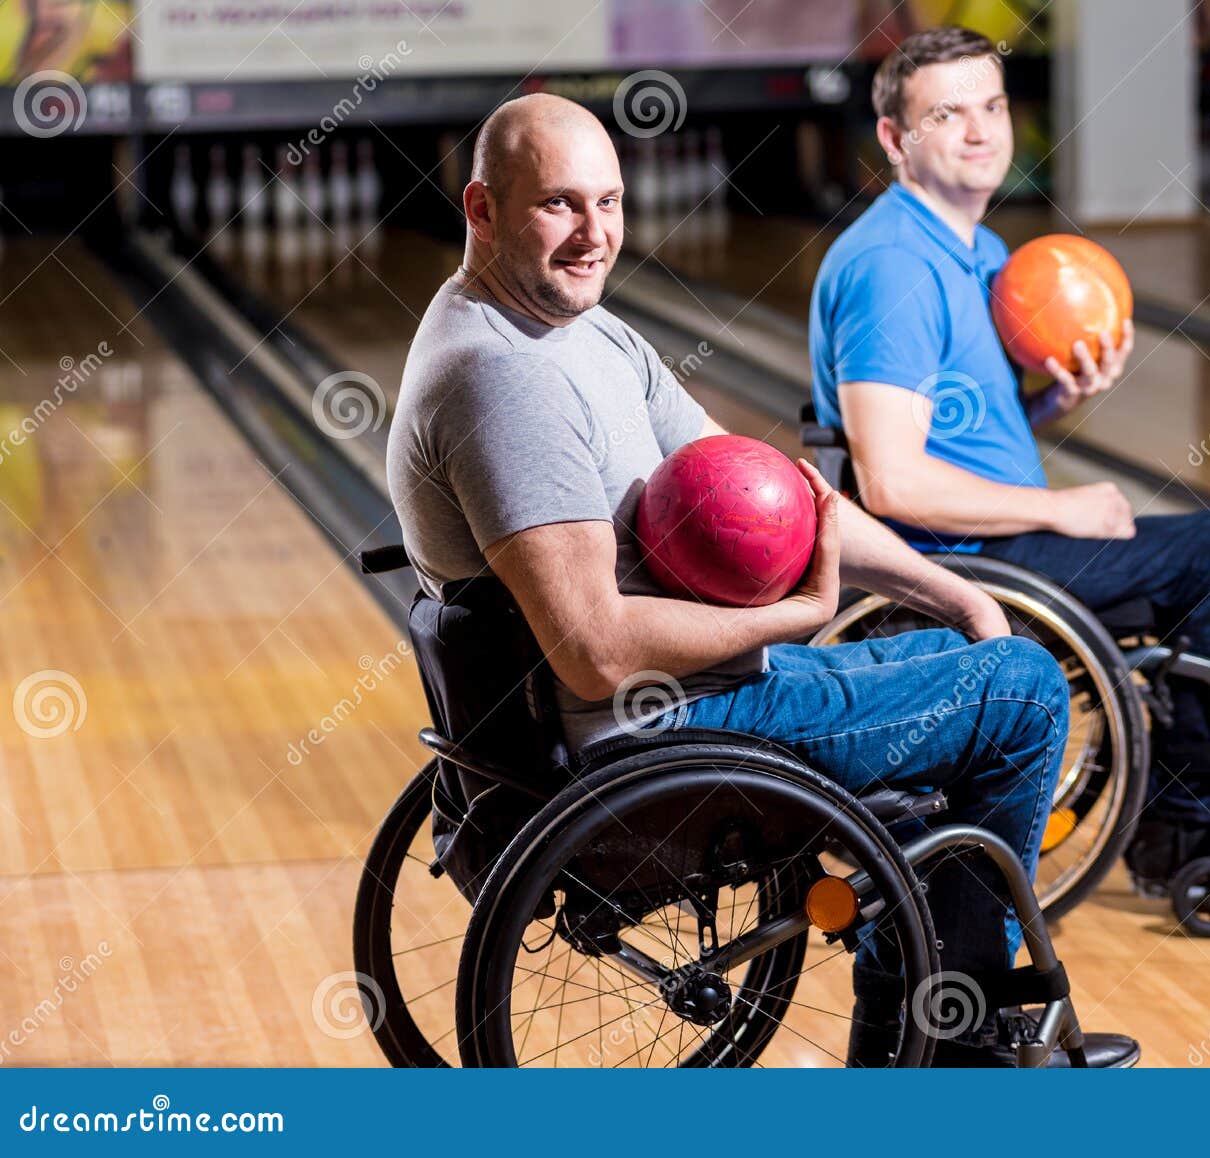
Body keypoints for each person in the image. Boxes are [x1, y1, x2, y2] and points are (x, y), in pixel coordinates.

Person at [385, 93, 1137, 1067]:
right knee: (1024, 690)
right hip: (658, 738)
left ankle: (922, 1014)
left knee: (960, 658)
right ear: (481, 210)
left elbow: (791, 499)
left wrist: (952, 594)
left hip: (672, 715)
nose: (593, 235)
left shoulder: (584, 336)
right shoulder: (505, 379)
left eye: (608, 203)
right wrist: (800, 613)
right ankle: (955, 1042)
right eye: (558, 205)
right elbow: (595, 650)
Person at [808, 26, 1210, 896]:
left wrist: (1050, 403)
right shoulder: (895, 265)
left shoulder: (981, 254)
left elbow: (951, 429)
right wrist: (1057, 508)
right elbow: (891, 480)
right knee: (1207, 553)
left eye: (994, 106)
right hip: (949, 563)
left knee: (1192, 553)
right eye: (948, 113)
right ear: (895, 140)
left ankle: (1187, 814)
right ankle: (1192, 821)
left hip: (988, 545)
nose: (981, 131)